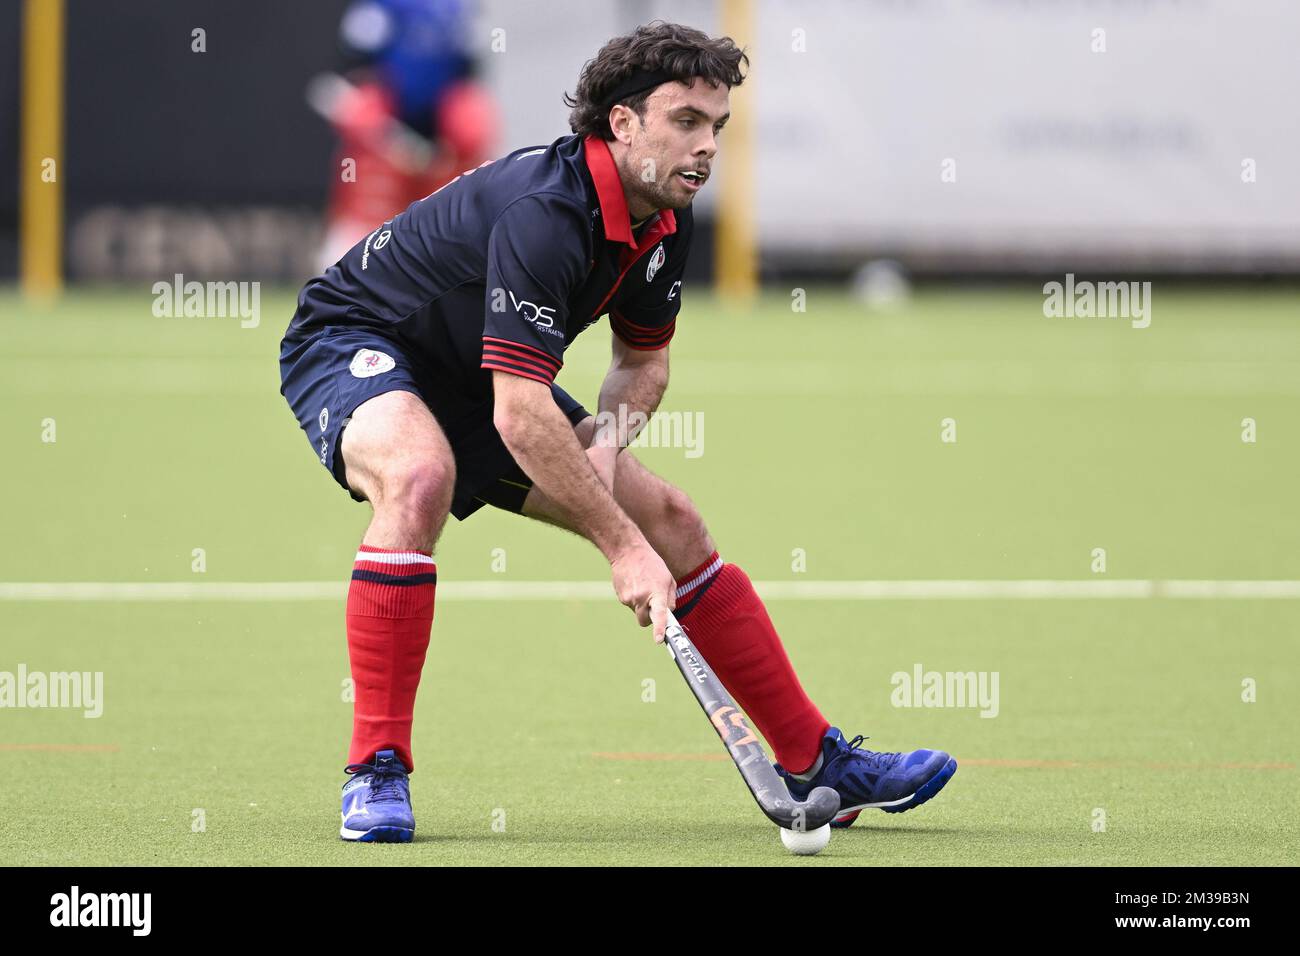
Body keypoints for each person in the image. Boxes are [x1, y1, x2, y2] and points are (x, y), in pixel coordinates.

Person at [279, 21, 957, 843]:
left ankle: (817, 762)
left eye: (717, 127)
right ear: (622, 123)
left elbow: (643, 364)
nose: (706, 148)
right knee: (420, 476)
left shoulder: (665, 218)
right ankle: (375, 769)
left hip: (486, 377)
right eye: (685, 122)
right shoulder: (547, 213)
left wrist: (608, 442)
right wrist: (619, 545)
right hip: (362, 337)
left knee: (673, 521)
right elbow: (520, 413)